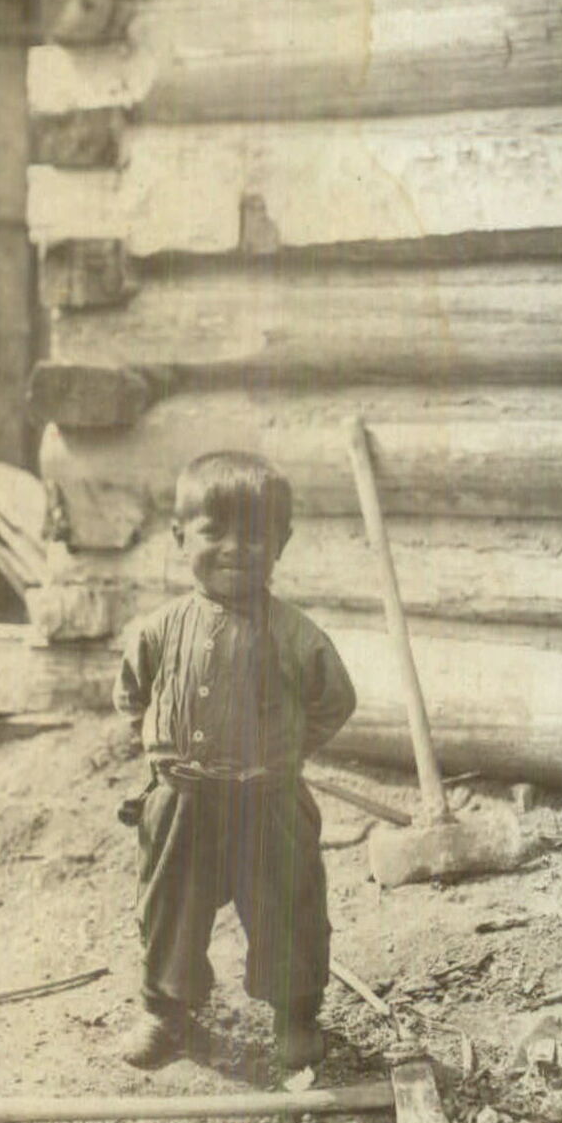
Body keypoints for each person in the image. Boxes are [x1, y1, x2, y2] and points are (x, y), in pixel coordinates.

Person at [114, 450, 357, 1070]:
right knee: (169, 907)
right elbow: (131, 694)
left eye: (255, 534)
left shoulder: (295, 635)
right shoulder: (157, 629)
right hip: (181, 803)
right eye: (213, 531)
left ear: (282, 542)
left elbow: (334, 700)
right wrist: (163, 748)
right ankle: (164, 1014)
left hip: (267, 802)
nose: (234, 548)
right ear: (178, 537)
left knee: (288, 904)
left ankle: (295, 1018)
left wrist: (287, 752)